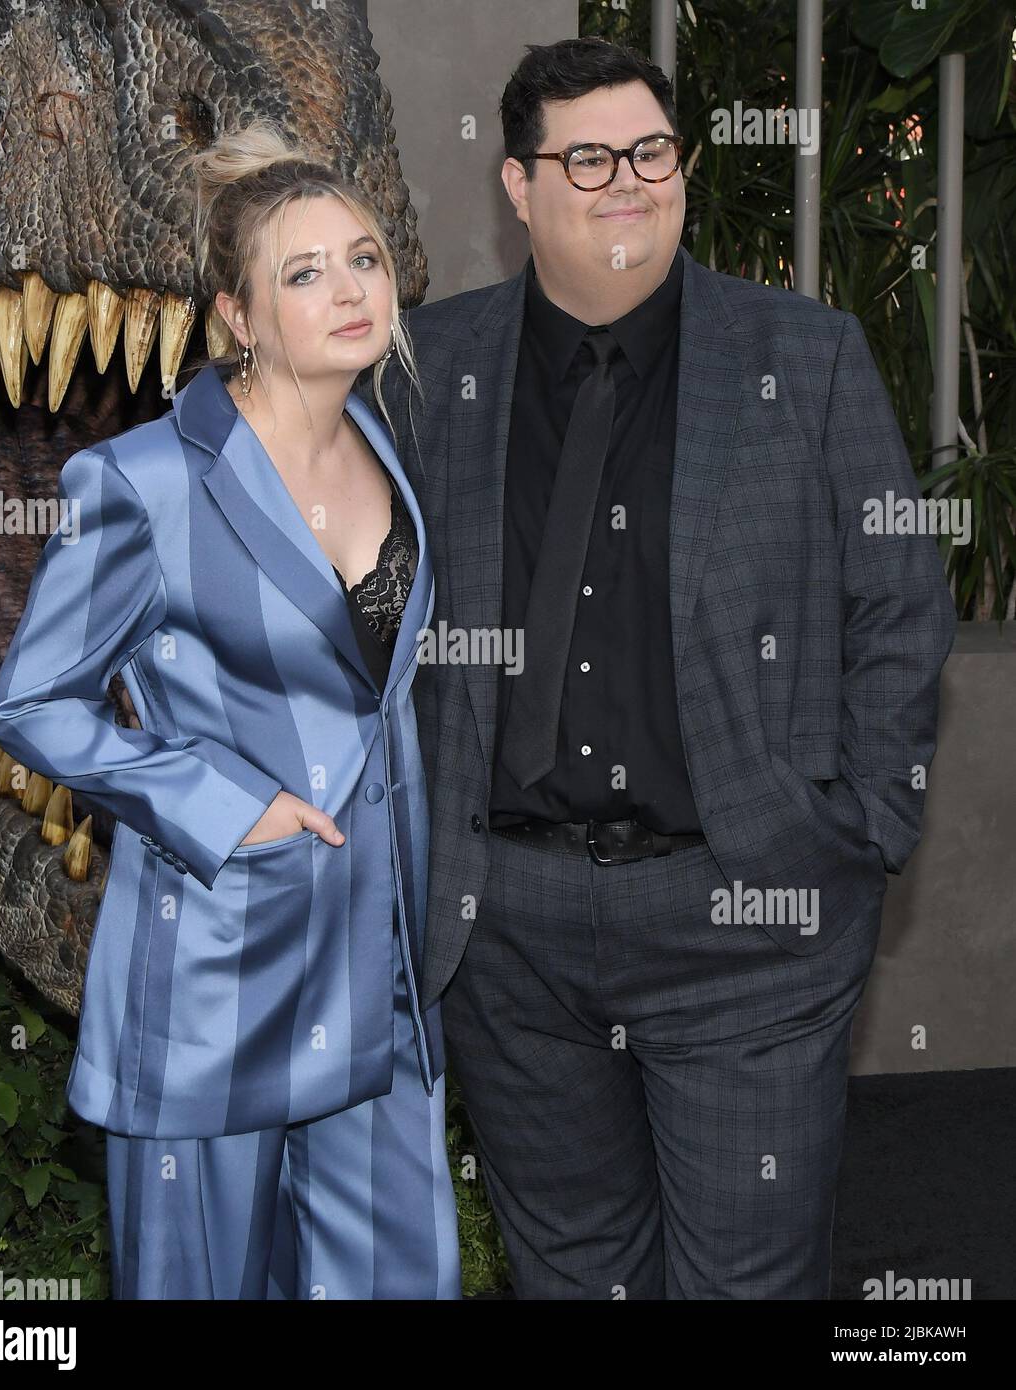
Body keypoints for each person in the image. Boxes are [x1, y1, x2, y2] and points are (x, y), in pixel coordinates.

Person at [359, 37, 957, 1299]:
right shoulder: (427, 367)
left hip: (743, 917)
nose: (627, 179)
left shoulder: (803, 356)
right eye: (586, 158)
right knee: (573, 1274)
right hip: (503, 933)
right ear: (519, 187)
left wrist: (857, 826)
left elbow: (899, 601)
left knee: (747, 1280)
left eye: (649, 151)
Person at [0, 120, 461, 1300]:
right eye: (304, 273)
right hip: (215, 970)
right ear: (237, 317)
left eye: (362, 258)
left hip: (379, 970)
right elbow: (33, 702)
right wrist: (224, 805)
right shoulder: (143, 481)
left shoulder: (386, 443)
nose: (349, 290)